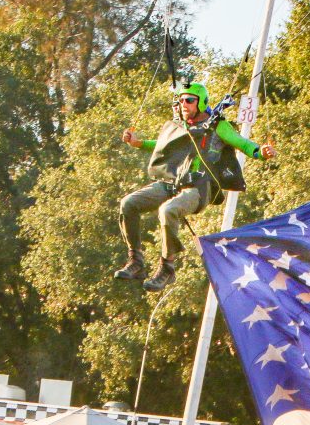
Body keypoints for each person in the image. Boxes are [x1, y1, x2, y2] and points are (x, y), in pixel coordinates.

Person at [116, 82, 276, 291]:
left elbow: (243, 143)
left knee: (168, 210)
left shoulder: (218, 126)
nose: (184, 104)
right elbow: (163, 145)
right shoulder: (180, 126)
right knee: (128, 203)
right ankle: (136, 261)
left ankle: (167, 268)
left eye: (189, 100)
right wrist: (140, 143)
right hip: (173, 182)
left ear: (201, 103)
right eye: (181, 100)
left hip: (199, 187)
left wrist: (260, 152)